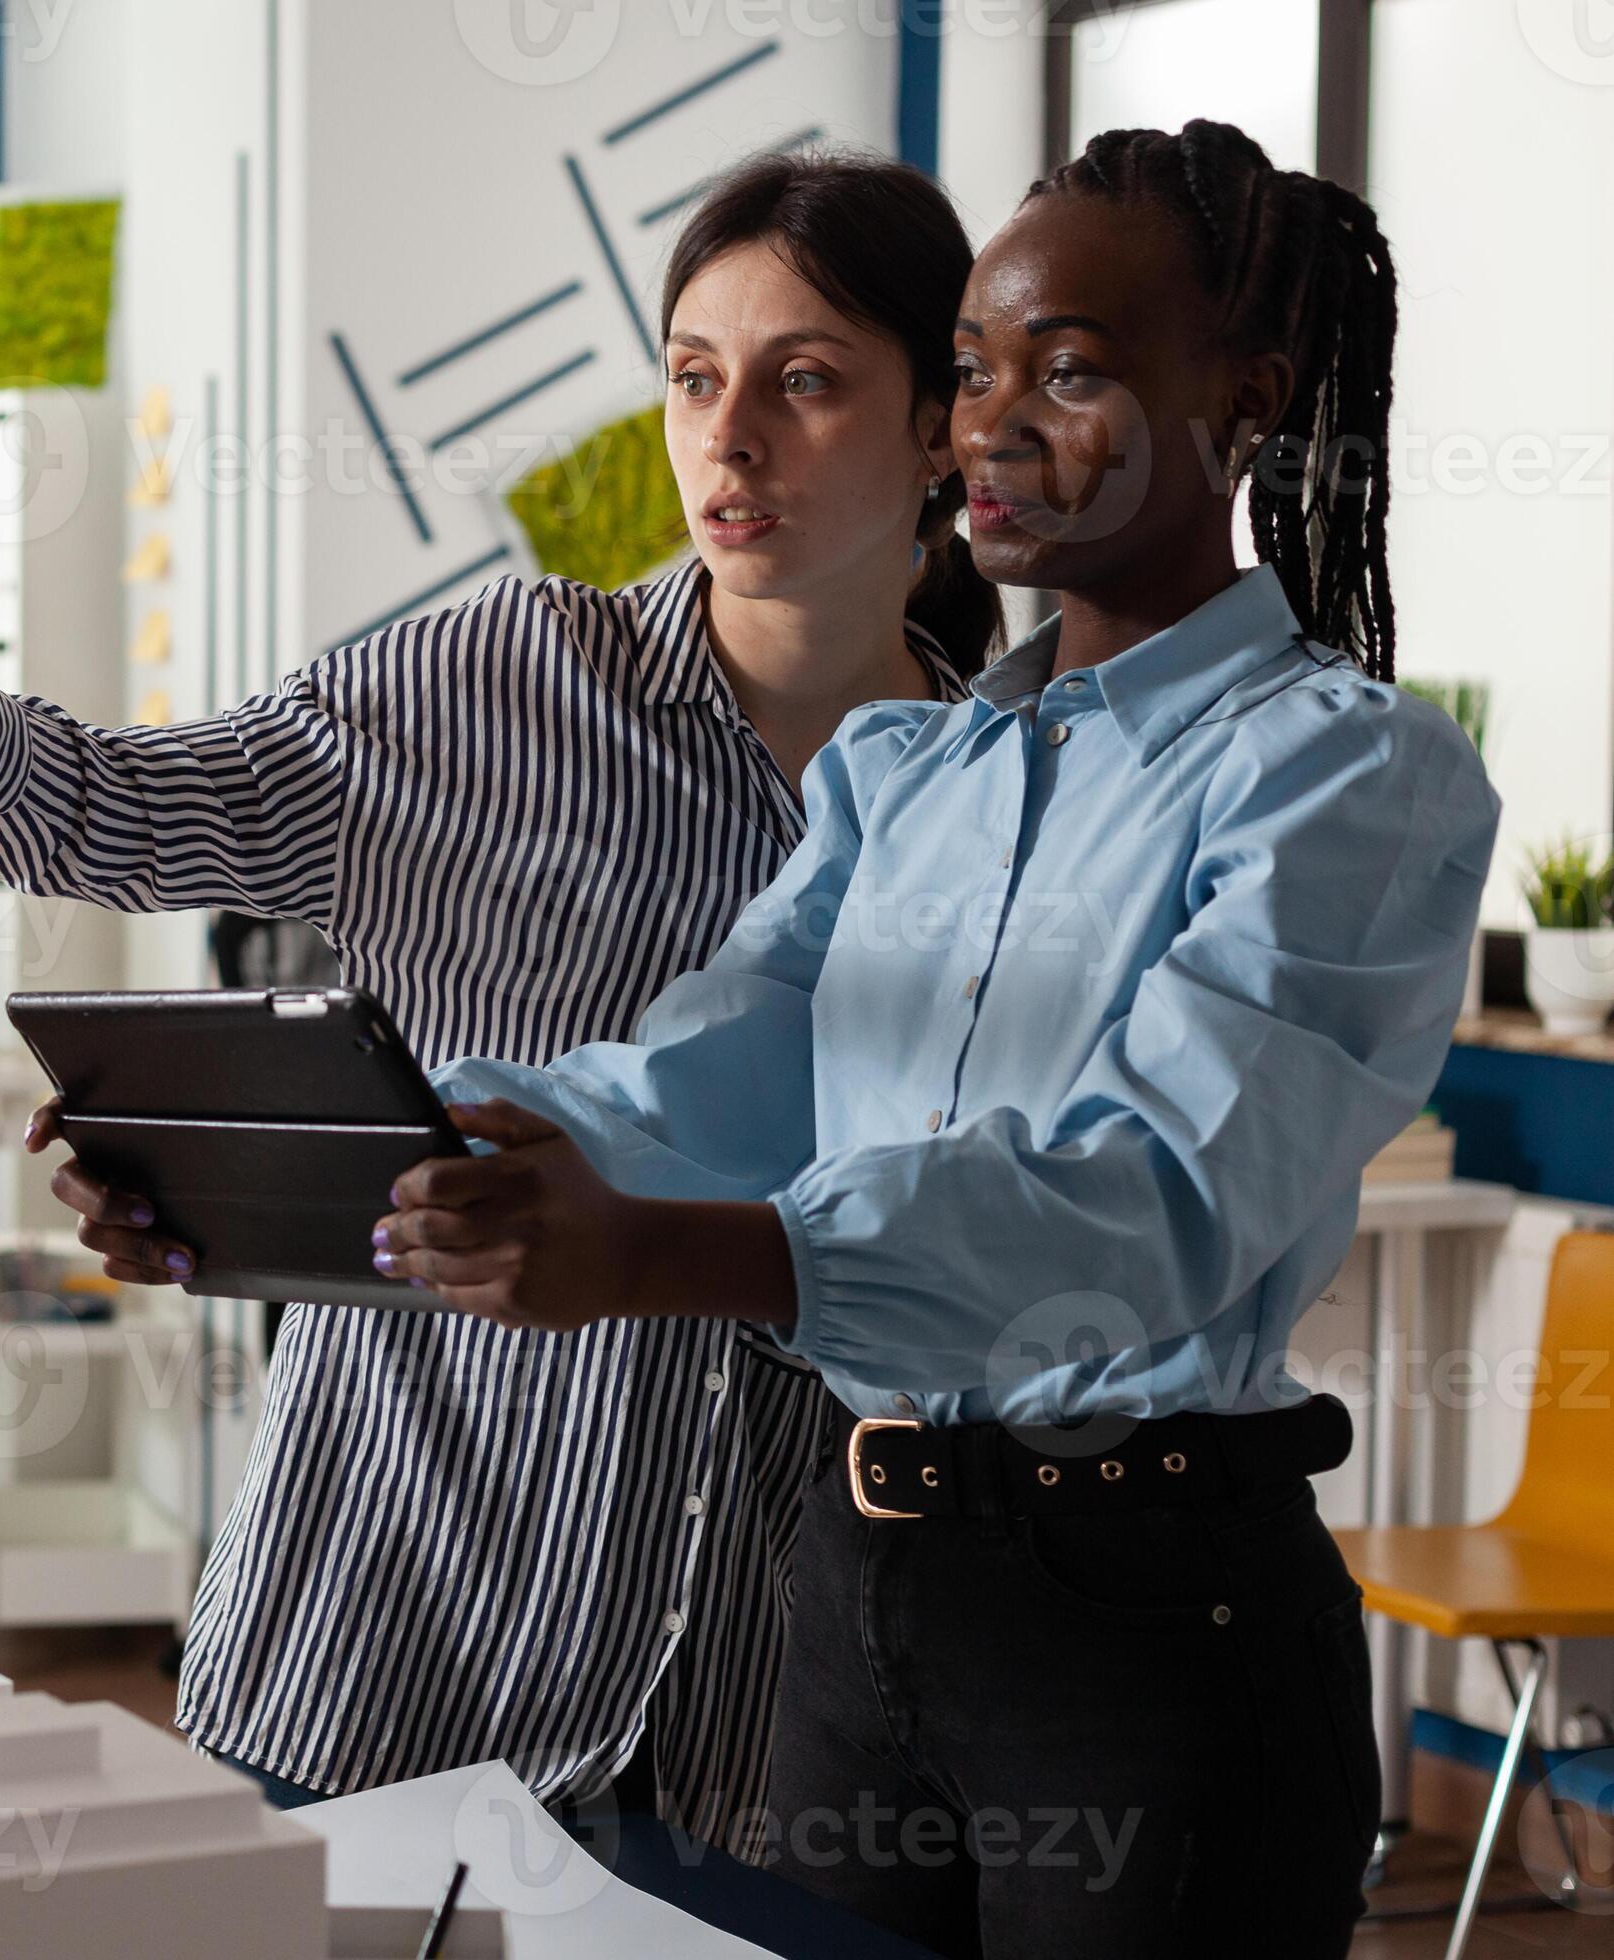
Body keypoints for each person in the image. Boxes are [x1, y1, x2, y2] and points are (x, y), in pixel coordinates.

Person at [0, 154, 996, 1853]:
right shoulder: (492, 681)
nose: (731, 440)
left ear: (943, 422)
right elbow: (128, 808)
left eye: (807, 382)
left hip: (746, 1675)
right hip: (392, 1599)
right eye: (696, 379)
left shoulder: (1003, 797)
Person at [375, 122, 1492, 1954]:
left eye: (1070, 370)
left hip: (1144, 1636)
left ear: (1249, 396)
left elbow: (1144, 1203)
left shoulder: (1344, 775)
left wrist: (670, 1257)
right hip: (858, 1582)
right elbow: (721, 1060)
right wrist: (376, 1136)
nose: (990, 420)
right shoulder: (912, 766)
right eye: (971, 368)